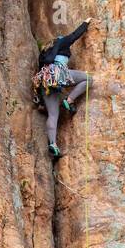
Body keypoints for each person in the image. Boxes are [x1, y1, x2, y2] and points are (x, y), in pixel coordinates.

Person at [32, 18, 92, 160]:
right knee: (88, 79)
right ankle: (69, 100)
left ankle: (53, 144)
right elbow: (74, 36)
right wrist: (86, 22)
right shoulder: (61, 41)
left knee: (53, 115)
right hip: (57, 74)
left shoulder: (45, 51)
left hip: (45, 81)